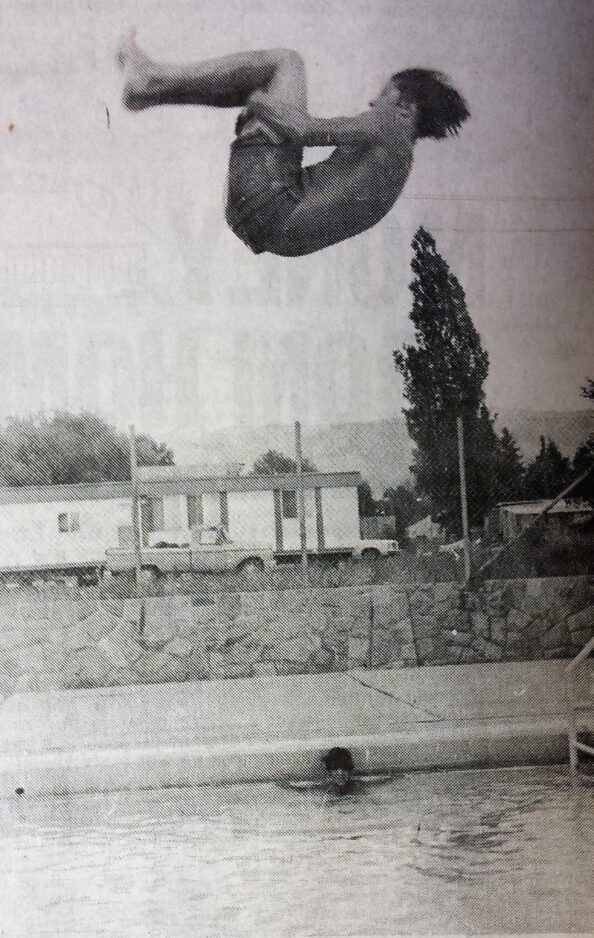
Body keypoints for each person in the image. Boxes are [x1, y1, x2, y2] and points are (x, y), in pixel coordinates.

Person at [117, 32, 470, 258]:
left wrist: (257, 98)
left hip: (267, 200)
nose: (373, 103)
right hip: (266, 231)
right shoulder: (399, 169)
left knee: (286, 63)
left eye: (383, 95)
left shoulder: (388, 125)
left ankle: (152, 80)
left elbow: (302, 130)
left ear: (407, 108)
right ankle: (149, 89)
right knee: (269, 97)